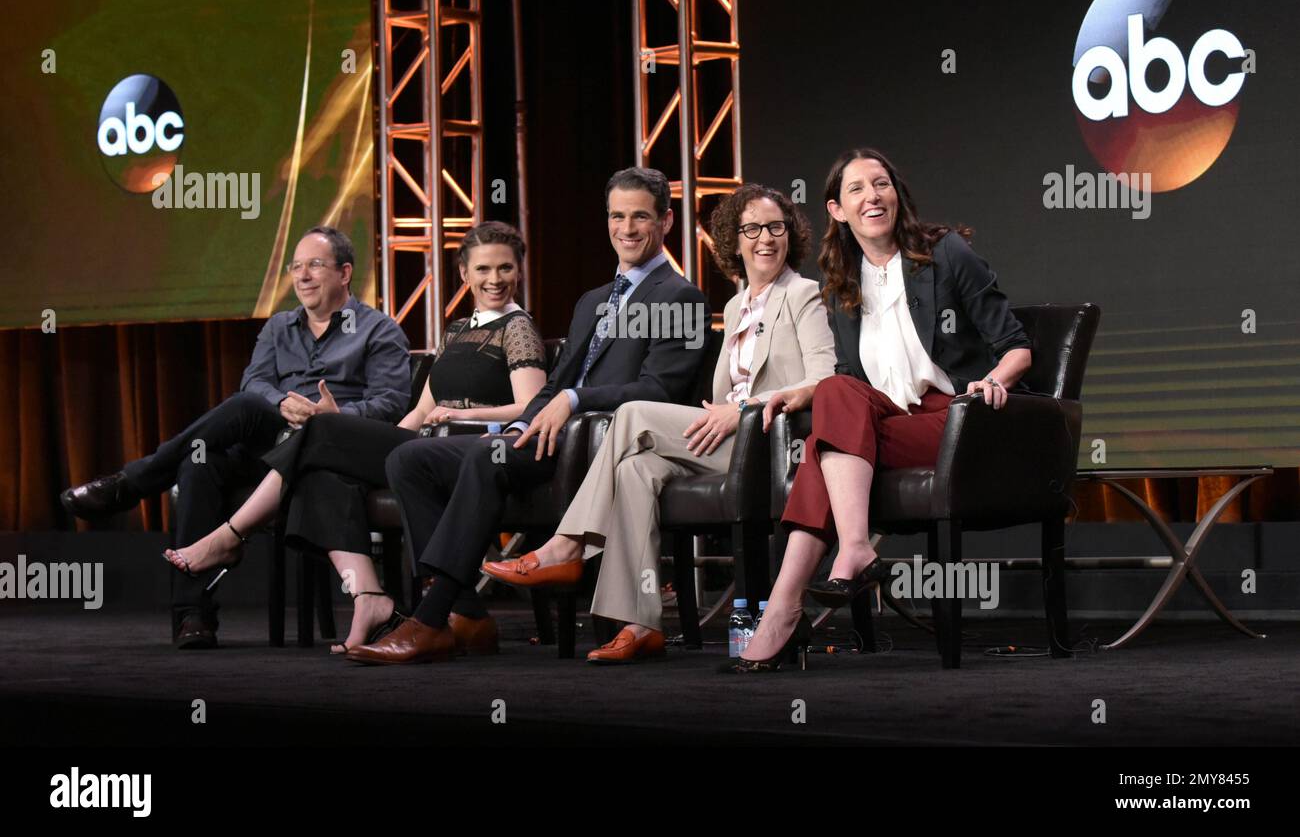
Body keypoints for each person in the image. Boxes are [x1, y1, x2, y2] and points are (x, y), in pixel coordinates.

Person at [343, 166, 710, 665]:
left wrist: (575, 402)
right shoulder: (593, 301)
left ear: (666, 221)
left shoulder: (681, 296)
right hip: (539, 439)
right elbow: (556, 384)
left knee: (483, 460)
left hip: (600, 449)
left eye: (640, 216)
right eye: (617, 215)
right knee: (409, 460)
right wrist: (522, 422)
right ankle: (467, 613)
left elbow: (659, 390)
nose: (626, 228)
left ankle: (429, 619)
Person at [482, 184, 836, 664]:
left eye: (775, 227)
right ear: (734, 240)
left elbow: (824, 380)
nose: (764, 239)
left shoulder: (803, 294)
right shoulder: (734, 308)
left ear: (790, 235)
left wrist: (748, 406)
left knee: (629, 415)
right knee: (635, 470)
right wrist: (726, 411)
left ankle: (567, 545)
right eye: (751, 228)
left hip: (771, 439)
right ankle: (641, 624)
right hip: (724, 437)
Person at [161, 221, 547, 653]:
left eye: (505, 269)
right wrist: (371, 444)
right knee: (322, 455)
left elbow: (530, 408)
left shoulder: (518, 327)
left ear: (520, 272)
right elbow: (419, 411)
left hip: (471, 447)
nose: (494, 280)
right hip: (422, 444)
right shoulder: (457, 330)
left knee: (322, 428)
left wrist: (460, 412)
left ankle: (230, 535)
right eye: (483, 269)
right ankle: (372, 598)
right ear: (464, 273)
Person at [730, 148, 1033, 672]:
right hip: (886, 418)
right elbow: (846, 382)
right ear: (837, 210)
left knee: (825, 452)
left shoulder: (947, 254)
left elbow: (1018, 347)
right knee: (834, 396)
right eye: (857, 189)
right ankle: (851, 551)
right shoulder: (840, 285)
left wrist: (992, 380)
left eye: (882, 184)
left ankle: (784, 608)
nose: (873, 196)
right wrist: (800, 394)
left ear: (897, 195)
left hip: (956, 417)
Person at [60, 226, 412, 648]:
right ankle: (194, 616)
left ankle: (134, 485)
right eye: (296, 266)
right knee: (207, 452)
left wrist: (336, 415)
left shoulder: (379, 330)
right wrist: (282, 403)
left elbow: (391, 402)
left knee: (221, 437)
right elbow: (255, 381)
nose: (302, 276)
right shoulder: (279, 327)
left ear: (345, 272)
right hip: (272, 443)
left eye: (315, 265)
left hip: (334, 449)